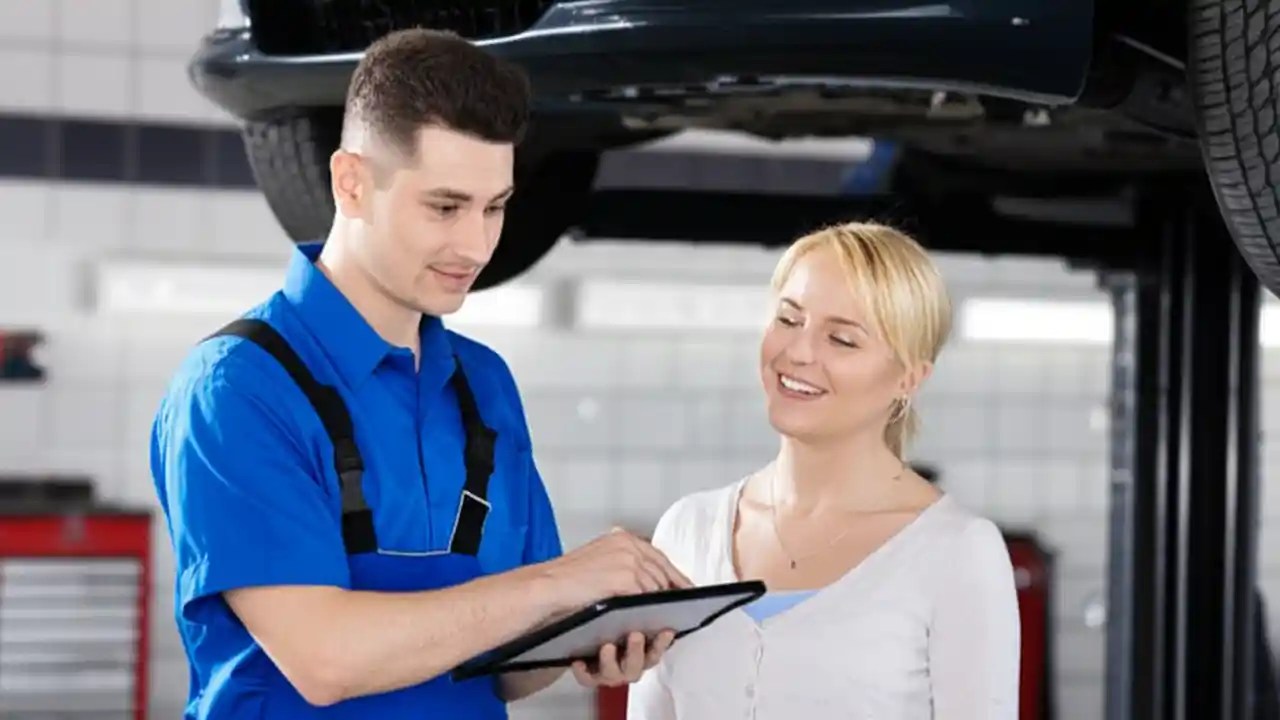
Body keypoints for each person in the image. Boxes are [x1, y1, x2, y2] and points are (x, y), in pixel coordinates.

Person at [150, 28, 689, 720]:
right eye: (445, 206)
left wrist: (587, 632)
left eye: (495, 207)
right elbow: (324, 660)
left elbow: (505, 674)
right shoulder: (237, 389)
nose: (476, 245)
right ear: (351, 183)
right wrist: (559, 582)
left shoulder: (483, 383)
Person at [627, 221, 1021, 719]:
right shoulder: (687, 530)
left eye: (842, 339)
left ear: (909, 378)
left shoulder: (958, 552)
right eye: (789, 320)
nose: (798, 352)